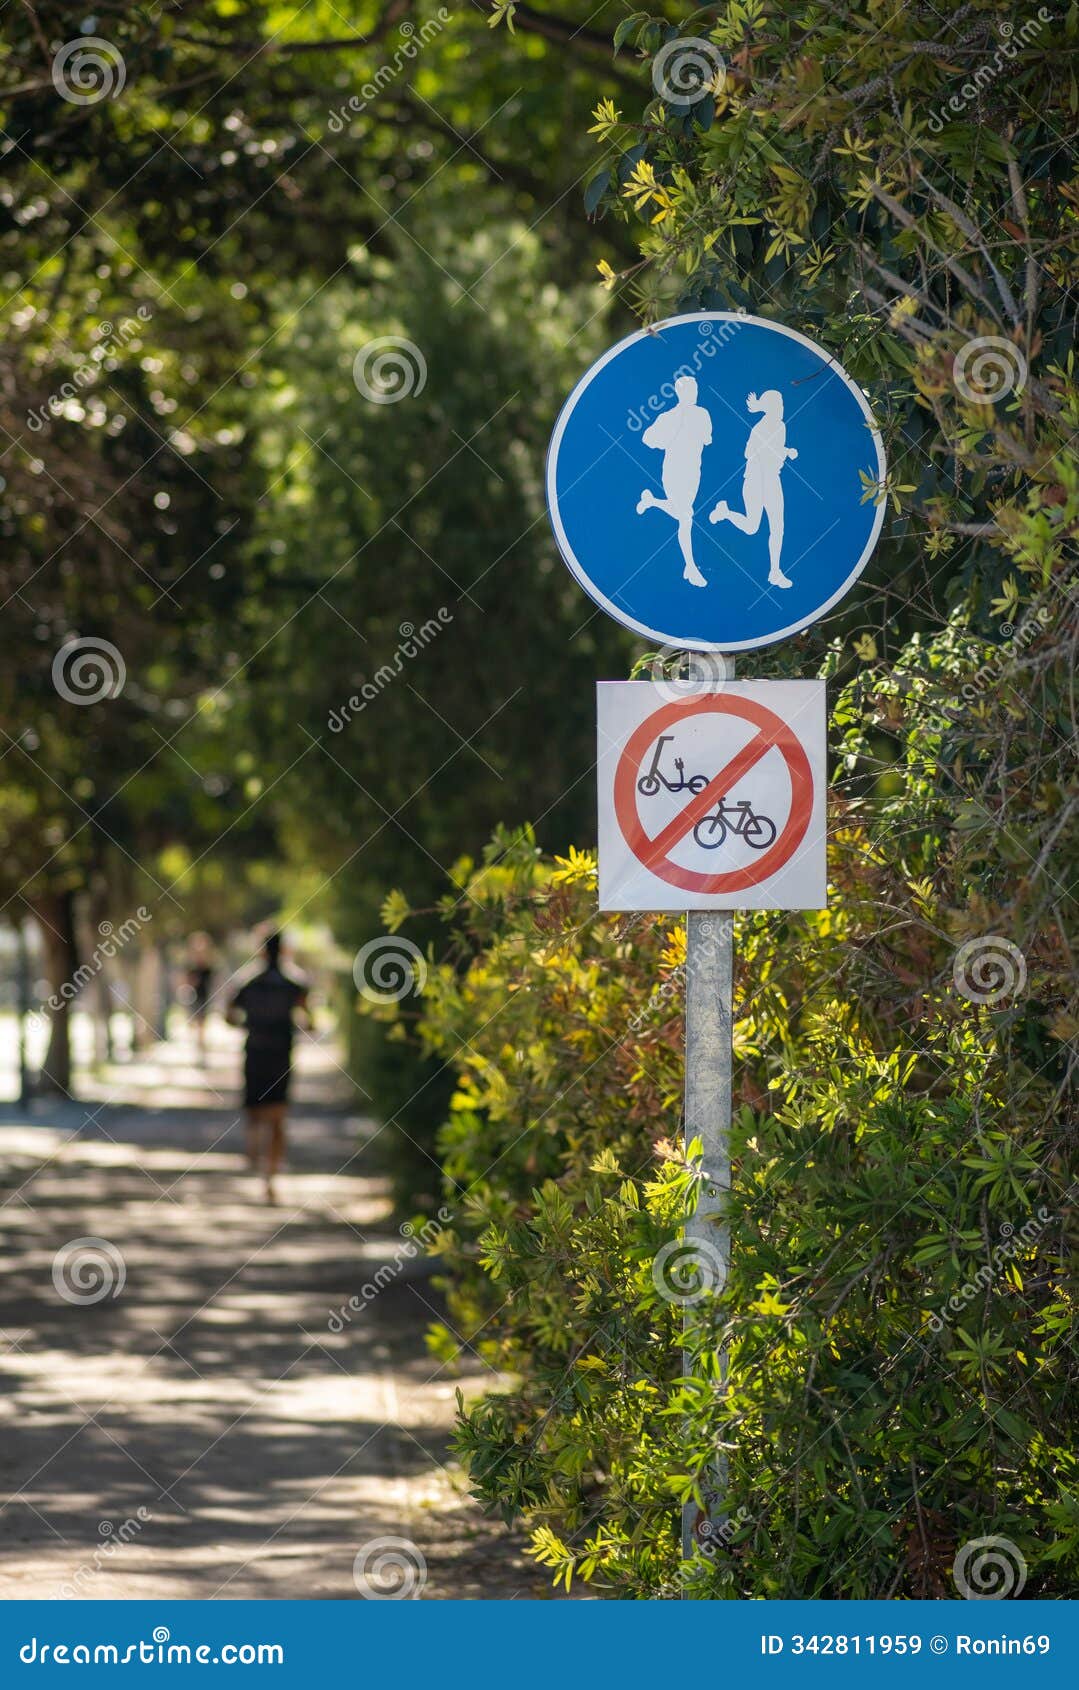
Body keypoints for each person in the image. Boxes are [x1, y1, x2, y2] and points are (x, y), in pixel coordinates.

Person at [227, 932, 311, 1204]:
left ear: (261, 951)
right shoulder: (295, 984)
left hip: (255, 1052)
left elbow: (229, 1016)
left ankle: (253, 1153)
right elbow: (309, 1020)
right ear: (284, 950)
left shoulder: (247, 982)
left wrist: (249, 1025)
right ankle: (270, 1177)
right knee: (278, 1118)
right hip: (281, 1056)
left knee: (254, 1112)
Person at [709, 389, 799, 589]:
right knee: (752, 527)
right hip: (755, 481)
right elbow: (748, 452)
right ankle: (726, 513)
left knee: (778, 527)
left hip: (772, 480)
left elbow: (774, 453)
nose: (783, 408)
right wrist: (779, 452)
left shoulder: (780, 426)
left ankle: (775, 572)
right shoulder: (760, 427)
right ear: (773, 407)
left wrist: (784, 451)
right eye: (780, 404)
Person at [636, 373, 714, 587]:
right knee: (686, 516)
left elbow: (707, 438)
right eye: (691, 391)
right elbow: (647, 438)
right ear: (682, 393)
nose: (695, 394)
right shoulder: (669, 416)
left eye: (696, 390)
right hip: (673, 471)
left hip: (694, 472)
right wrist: (669, 433)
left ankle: (652, 501)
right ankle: (690, 567)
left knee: (684, 513)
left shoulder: (702, 414)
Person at [183, 932, 215, 1062]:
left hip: (204, 996)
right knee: (194, 1023)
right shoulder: (190, 965)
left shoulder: (208, 966)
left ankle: (201, 1049)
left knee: (201, 1024)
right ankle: (196, 1048)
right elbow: (186, 980)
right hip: (192, 997)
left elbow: (211, 980)